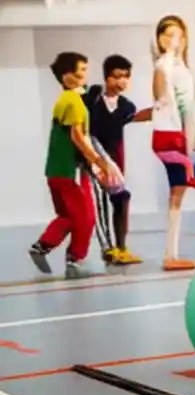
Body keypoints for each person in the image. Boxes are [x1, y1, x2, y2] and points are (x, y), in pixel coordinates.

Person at [29, 52, 109, 279]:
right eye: (81, 70)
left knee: (67, 216)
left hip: (55, 170)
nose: (85, 74)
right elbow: (77, 137)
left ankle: (42, 246)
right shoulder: (73, 101)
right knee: (86, 217)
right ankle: (75, 260)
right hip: (70, 171)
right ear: (66, 76)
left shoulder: (65, 99)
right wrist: (99, 161)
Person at [150, 15, 195, 271]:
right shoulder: (164, 65)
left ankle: (173, 253)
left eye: (175, 35)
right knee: (194, 187)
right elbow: (162, 97)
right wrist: (192, 144)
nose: (170, 39)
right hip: (171, 136)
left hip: (180, 133)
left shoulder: (180, 67)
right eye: (165, 35)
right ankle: (171, 255)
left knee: (183, 190)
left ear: (184, 39)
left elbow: (189, 107)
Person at [84, 55, 151, 265]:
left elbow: (134, 117)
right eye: (117, 76)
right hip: (93, 158)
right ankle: (108, 249)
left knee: (121, 198)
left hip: (113, 160)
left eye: (125, 76)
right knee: (101, 203)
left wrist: (159, 110)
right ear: (107, 77)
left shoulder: (126, 106)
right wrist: (96, 159)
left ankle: (121, 247)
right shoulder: (94, 98)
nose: (121, 81)